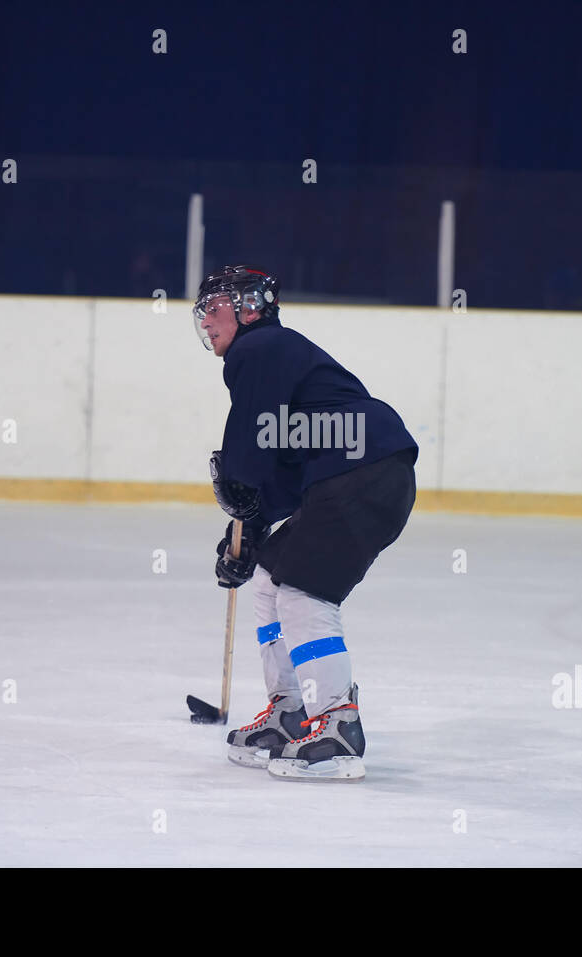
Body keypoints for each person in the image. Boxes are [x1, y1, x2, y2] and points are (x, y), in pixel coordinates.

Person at [194, 264, 418, 781]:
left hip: (363, 477)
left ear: (249, 306)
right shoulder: (280, 356)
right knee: (271, 581)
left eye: (215, 306)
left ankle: (339, 725)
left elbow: (250, 451)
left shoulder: (258, 350)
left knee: (301, 594)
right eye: (202, 310)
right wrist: (250, 534)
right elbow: (281, 460)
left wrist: (243, 510)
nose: (206, 320)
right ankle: (290, 713)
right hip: (362, 475)